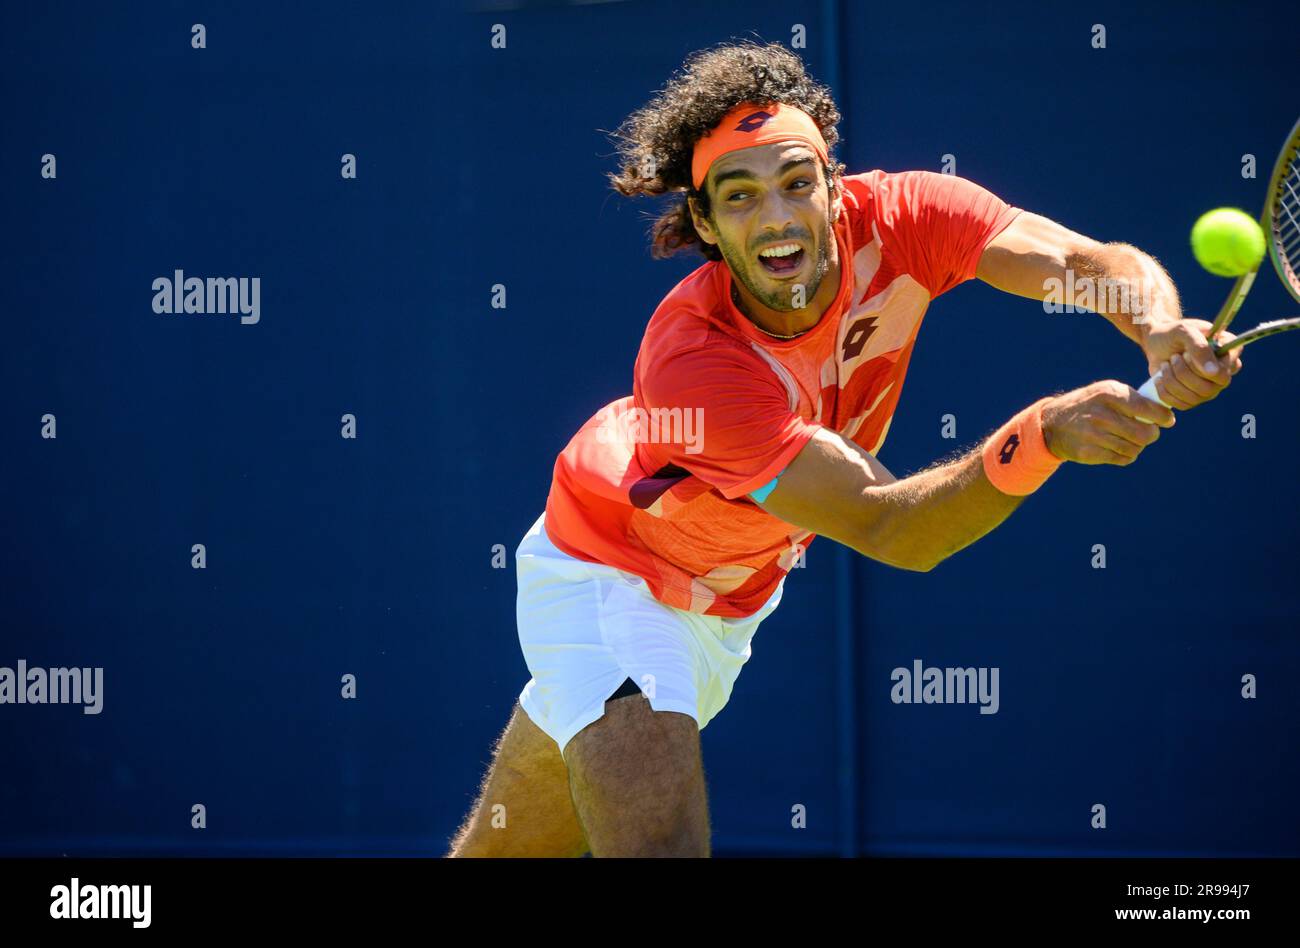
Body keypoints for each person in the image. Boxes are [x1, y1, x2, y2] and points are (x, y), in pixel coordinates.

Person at [449, 41, 1241, 857]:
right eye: (742, 196)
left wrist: (1158, 332)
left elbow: (1081, 264)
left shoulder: (907, 218)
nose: (779, 218)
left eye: (798, 182)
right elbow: (895, 529)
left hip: (732, 600)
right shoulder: (693, 363)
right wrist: (1043, 435)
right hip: (613, 570)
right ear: (705, 224)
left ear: (836, 186)